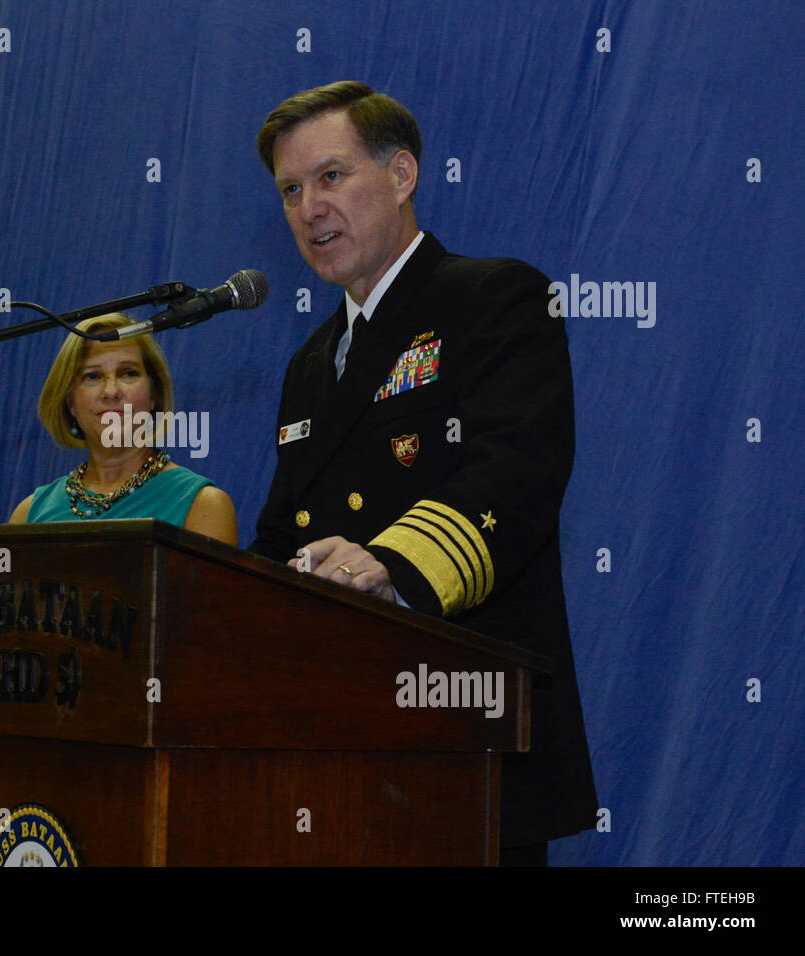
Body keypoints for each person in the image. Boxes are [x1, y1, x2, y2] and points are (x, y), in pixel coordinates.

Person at [250, 81, 596, 864]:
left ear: (402, 175)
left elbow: (516, 478)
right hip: (336, 743)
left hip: (462, 726)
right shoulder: (310, 363)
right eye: (291, 190)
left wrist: (389, 564)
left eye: (331, 177)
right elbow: (281, 537)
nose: (309, 208)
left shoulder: (494, 297)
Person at [9, 313, 237, 545]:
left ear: (153, 396)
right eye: (93, 376)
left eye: (128, 373)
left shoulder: (202, 506)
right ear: (70, 402)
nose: (111, 391)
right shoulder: (28, 514)